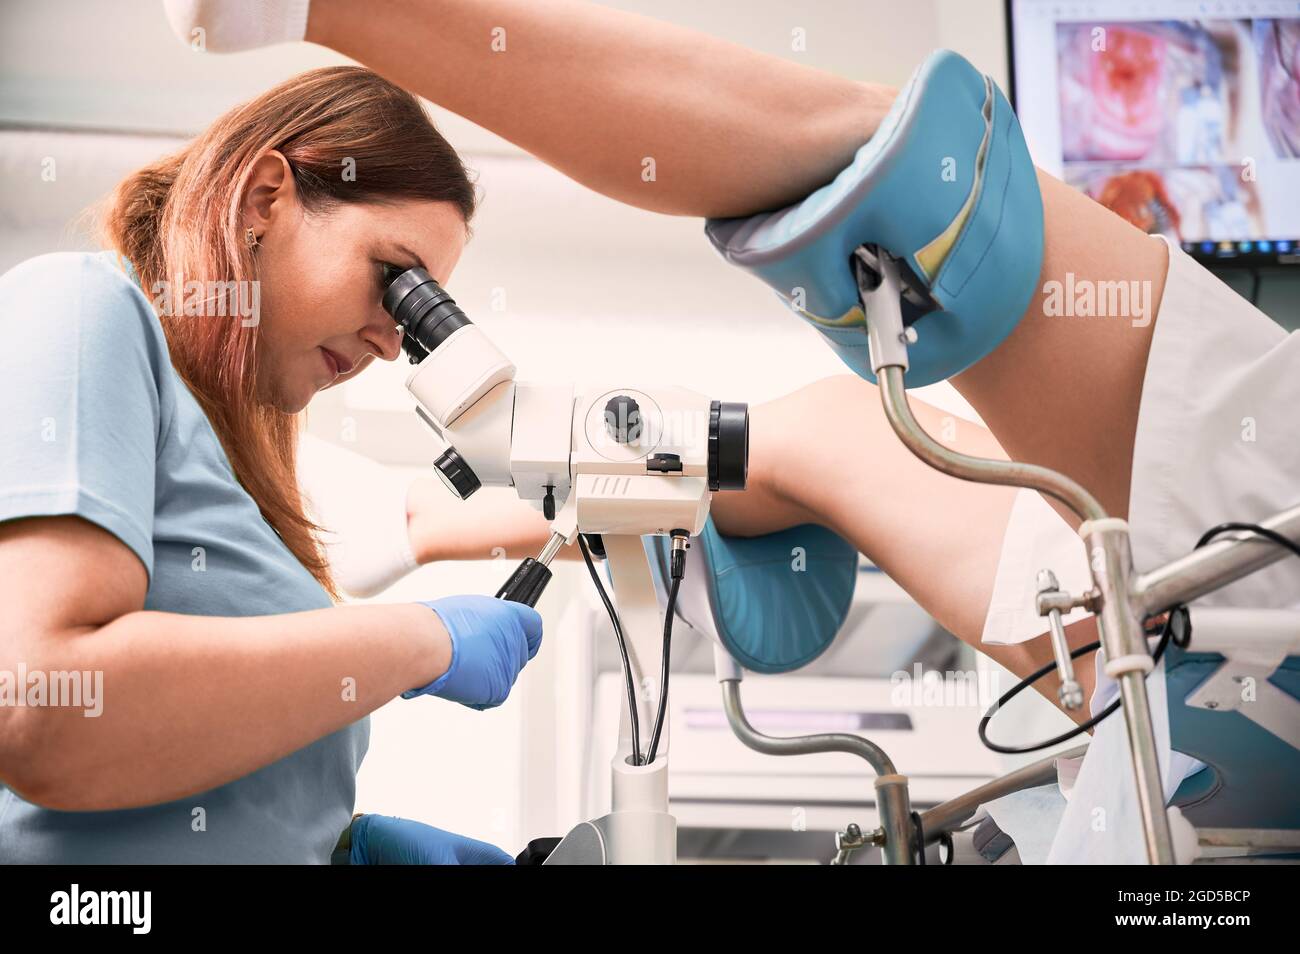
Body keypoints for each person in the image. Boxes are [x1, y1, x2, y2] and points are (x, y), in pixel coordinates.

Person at [0, 67, 541, 864]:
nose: (395, 340)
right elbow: (40, 709)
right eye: (397, 279)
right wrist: (418, 641)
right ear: (264, 200)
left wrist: (328, 847)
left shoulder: (236, 485)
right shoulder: (81, 309)